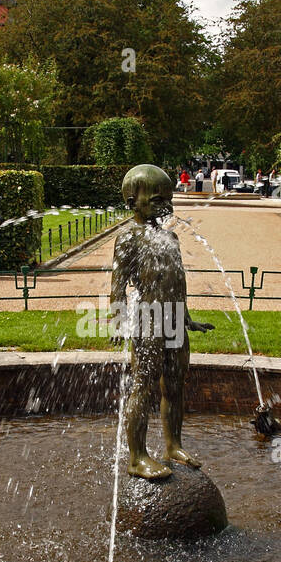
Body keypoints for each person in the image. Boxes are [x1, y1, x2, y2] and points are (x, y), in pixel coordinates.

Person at [110, 164, 214, 479]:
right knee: (143, 386)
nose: (165, 207)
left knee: (175, 385)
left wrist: (188, 318)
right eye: (157, 200)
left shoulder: (170, 236)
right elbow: (117, 285)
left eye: (168, 200)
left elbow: (177, 282)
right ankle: (137, 457)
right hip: (147, 318)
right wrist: (119, 319)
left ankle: (173, 445)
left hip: (174, 320)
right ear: (132, 201)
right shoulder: (128, 236)